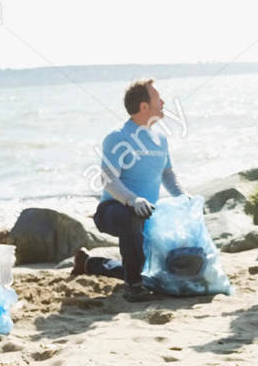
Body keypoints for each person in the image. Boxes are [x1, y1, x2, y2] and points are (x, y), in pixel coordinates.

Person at [74, 79, 185, 303]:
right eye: (157, 98)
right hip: (114, 210)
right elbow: (108, 180)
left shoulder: (160, 138)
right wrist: (133, 200)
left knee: (154, 271)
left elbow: (167, 174)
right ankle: (133, 286)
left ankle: (89, 263)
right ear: (144, 107)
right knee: (132, 218)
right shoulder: (118, 137)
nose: (163, 102)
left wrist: (183, 197)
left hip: (147, 213)